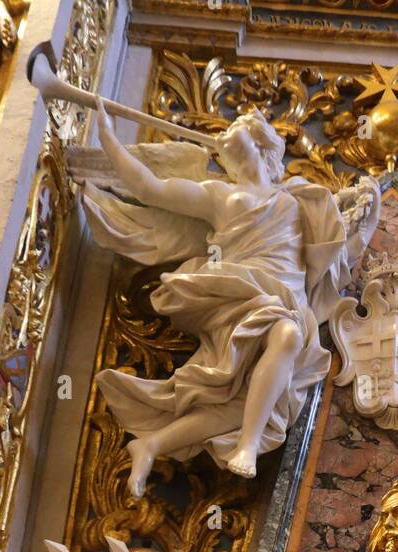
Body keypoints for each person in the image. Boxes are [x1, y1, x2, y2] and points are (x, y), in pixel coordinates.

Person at [85, 99, 378, 494]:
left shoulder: (297, 199)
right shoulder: (220, 196)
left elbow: (333, 262)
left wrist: (368, 214)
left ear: (260, 142)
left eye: (238, 125)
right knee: (286, 337)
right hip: (241, 296)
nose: (226, 134)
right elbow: (149, 187)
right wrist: (108, 137)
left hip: (287, 298)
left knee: (243, 400)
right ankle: (248, 446)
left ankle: (152, 444)